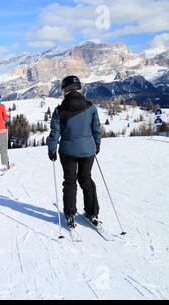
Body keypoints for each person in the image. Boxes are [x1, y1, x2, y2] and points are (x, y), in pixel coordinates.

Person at [47, 76, 102, 228]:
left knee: (70, 181)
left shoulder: (60, 110)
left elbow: (55, 132)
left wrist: (52, 149)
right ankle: (92, 213)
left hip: (68, 151)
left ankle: (70, 213)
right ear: (79, 89)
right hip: (87, 150)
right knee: (86, 179)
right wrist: (96, 145)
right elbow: (96, 129)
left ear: (64, 90)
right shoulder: (91, 107)